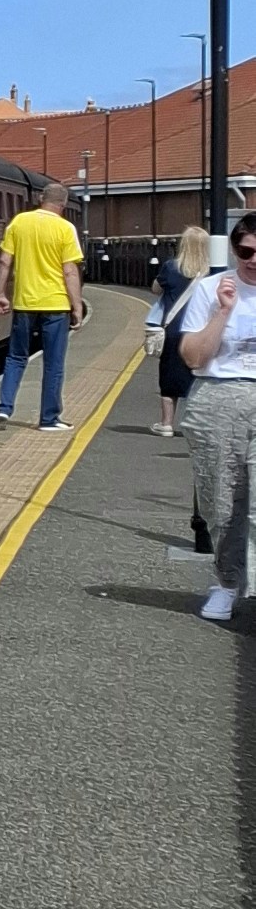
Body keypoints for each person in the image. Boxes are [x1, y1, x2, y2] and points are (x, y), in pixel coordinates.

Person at [177, 214, 256, 619]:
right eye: (246, 251)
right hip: (219, 396)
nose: (253, 260)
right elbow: (193, 357)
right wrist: (222, 312)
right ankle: (227, 581)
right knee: (222, 501)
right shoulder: (211, 289)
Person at [0, 186, 85, 426]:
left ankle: (4, 408)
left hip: (24, 303)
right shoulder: (65, 228)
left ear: (41, 199)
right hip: (55, 305)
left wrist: (0, 292)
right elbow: (70, 271)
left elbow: (4, 259)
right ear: (63, 205)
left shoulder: (19, 222)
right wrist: (76, 306)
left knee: (15, 357)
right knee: (53, 363)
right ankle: (49, 419)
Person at [159, 224, 214, 448]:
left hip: (174, 331)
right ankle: (195, 424)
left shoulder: (171, 268)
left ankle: (166, 424)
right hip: (202, 330)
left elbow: (156, 288)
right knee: (199, 376)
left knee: (169, 377)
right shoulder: (214, 271)